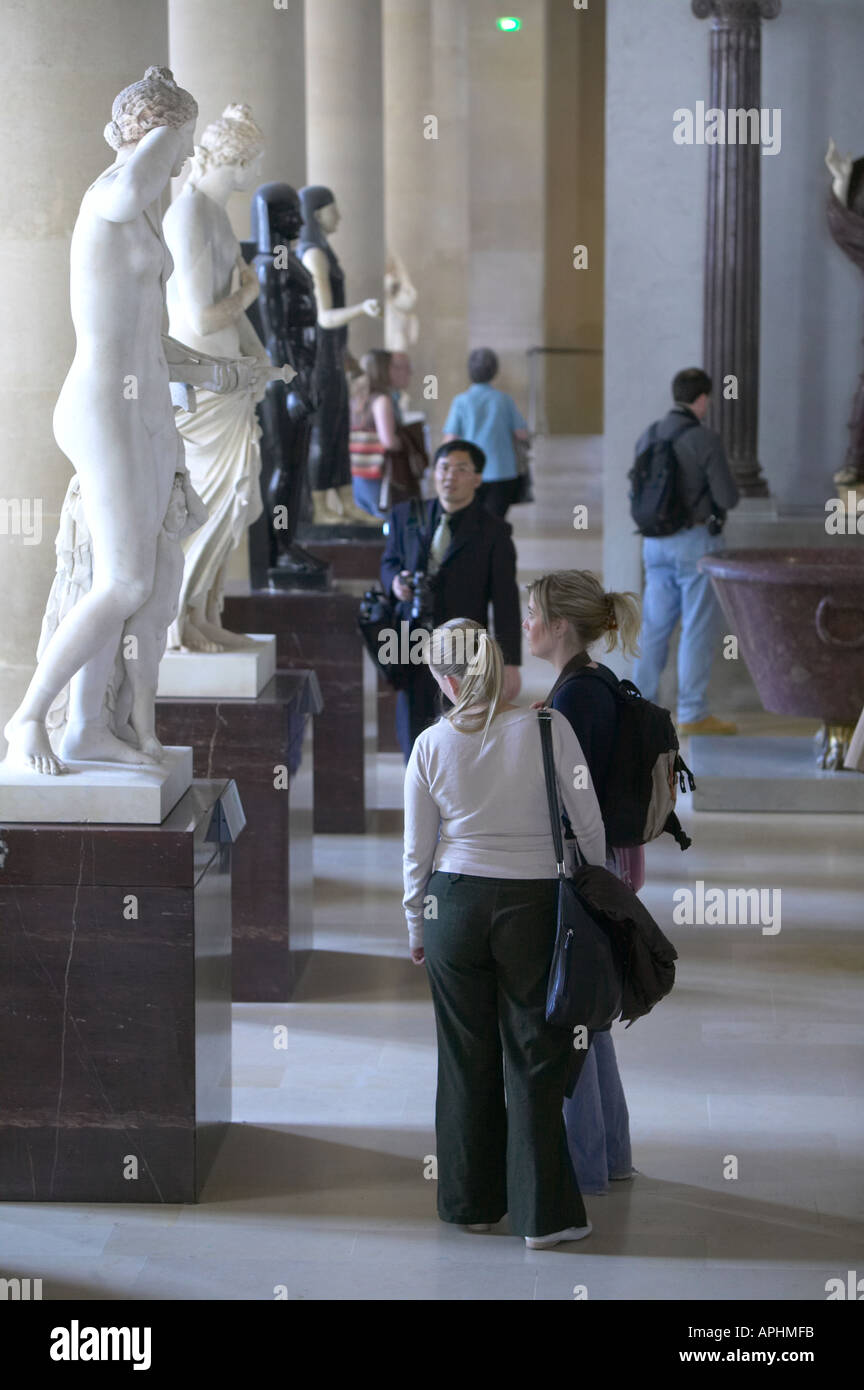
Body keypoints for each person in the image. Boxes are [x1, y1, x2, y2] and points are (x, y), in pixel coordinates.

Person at [403, 618, 608, 1247]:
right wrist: (596, 894)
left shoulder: (431, 744)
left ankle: (469, 1203)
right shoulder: (550, 728)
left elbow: (417, 852)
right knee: (535, 1055)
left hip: (453, 908)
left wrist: (417, 922)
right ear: (497, 664)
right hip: (535, 906)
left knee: (465, 1059)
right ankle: (546, 1217)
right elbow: (589, 826)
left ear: (443, 676)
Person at [524, 570, 642, 1195]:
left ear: (560, 625)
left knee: (573, 1015)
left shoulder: (574, 698)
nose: (526, 623)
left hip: (582, 873)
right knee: (588, 1017)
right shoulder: (592, 684)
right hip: (603, 871)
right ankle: (611, 1155)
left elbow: (572, 800)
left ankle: (585, 1166)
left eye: (533, 612)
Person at [381, 439, 522, 760]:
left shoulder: (493, 531)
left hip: (464, 645)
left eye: (461, 469)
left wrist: (510, 661)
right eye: (444, 468)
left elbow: (505, 599)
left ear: (477, 479)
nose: (450, 476)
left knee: (462, 720)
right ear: (434, 473)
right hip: (411, 637)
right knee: (412, 719)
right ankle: (416, 779)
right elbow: (388, 563)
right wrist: (396, 583)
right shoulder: (406, 516)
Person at [631, 368, 740, 736]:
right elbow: (728, 498)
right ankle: (692, 712)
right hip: (695, 543)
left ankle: (638, 706)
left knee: (654, 627)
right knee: (696, 627)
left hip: (653, 544)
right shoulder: (705, 439)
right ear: (703, 399)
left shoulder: (648, 435)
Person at [443, 348, 529, 518]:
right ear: (494, 371)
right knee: (495, 523)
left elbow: (450, 439)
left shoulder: (461, 401)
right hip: (502, 471)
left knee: (471, 520)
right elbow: (522, 434)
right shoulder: (504, 400)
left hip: (469, 470)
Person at [349, 349, 404, 517]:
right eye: (393, 367)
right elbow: (388, 441)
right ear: (384, 369)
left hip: (358, 471)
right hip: (378, 473)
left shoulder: (357, 399)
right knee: (385, 519)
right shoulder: (381, 400)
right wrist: (404, 443)